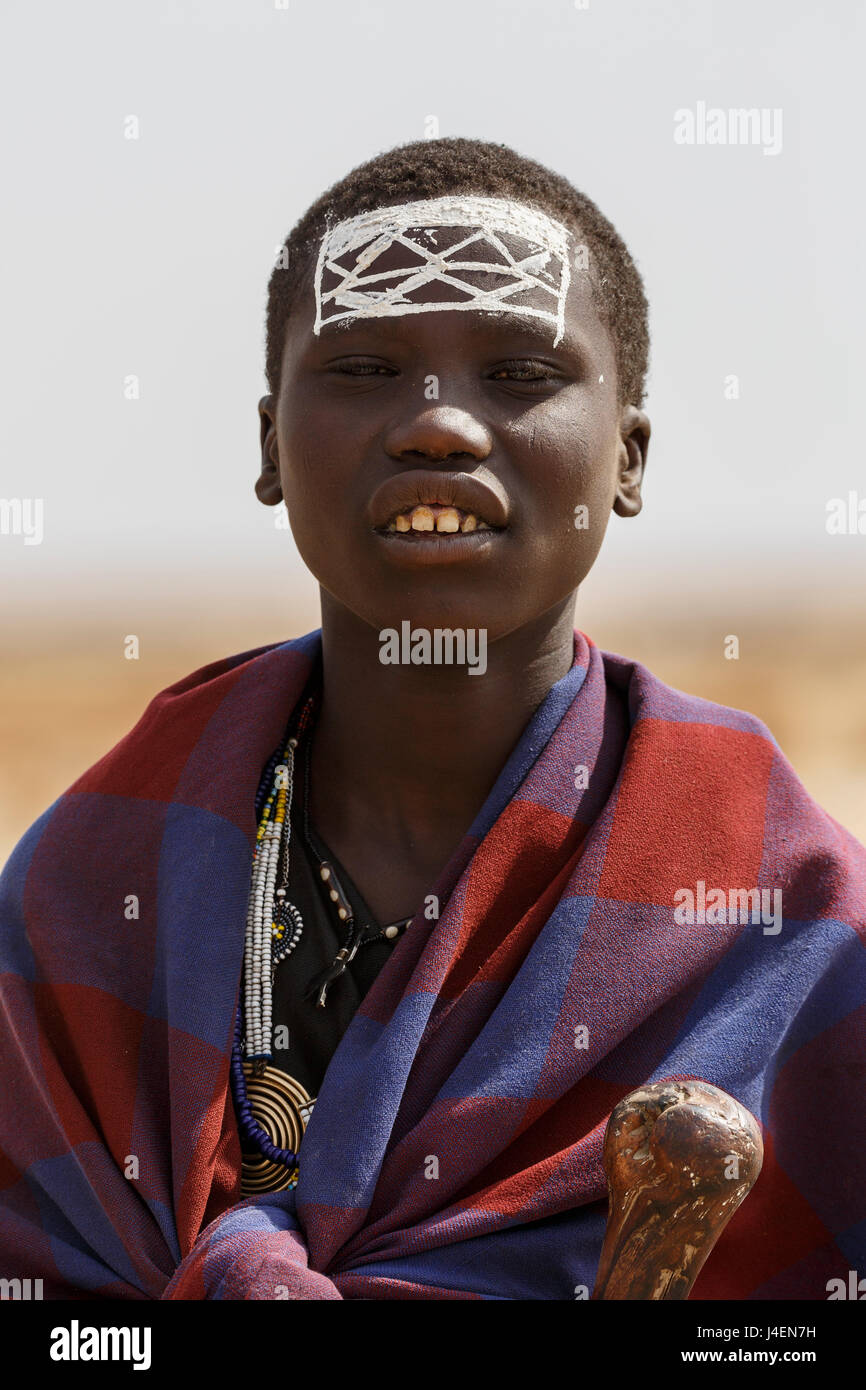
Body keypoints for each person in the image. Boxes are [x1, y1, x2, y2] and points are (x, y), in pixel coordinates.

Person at [1, 138, 863, 1302]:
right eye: (362, 367)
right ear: (268, 447)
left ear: (627, 457)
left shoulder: (787, 916)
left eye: (518, 372)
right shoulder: (86, 886)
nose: (439, 430)